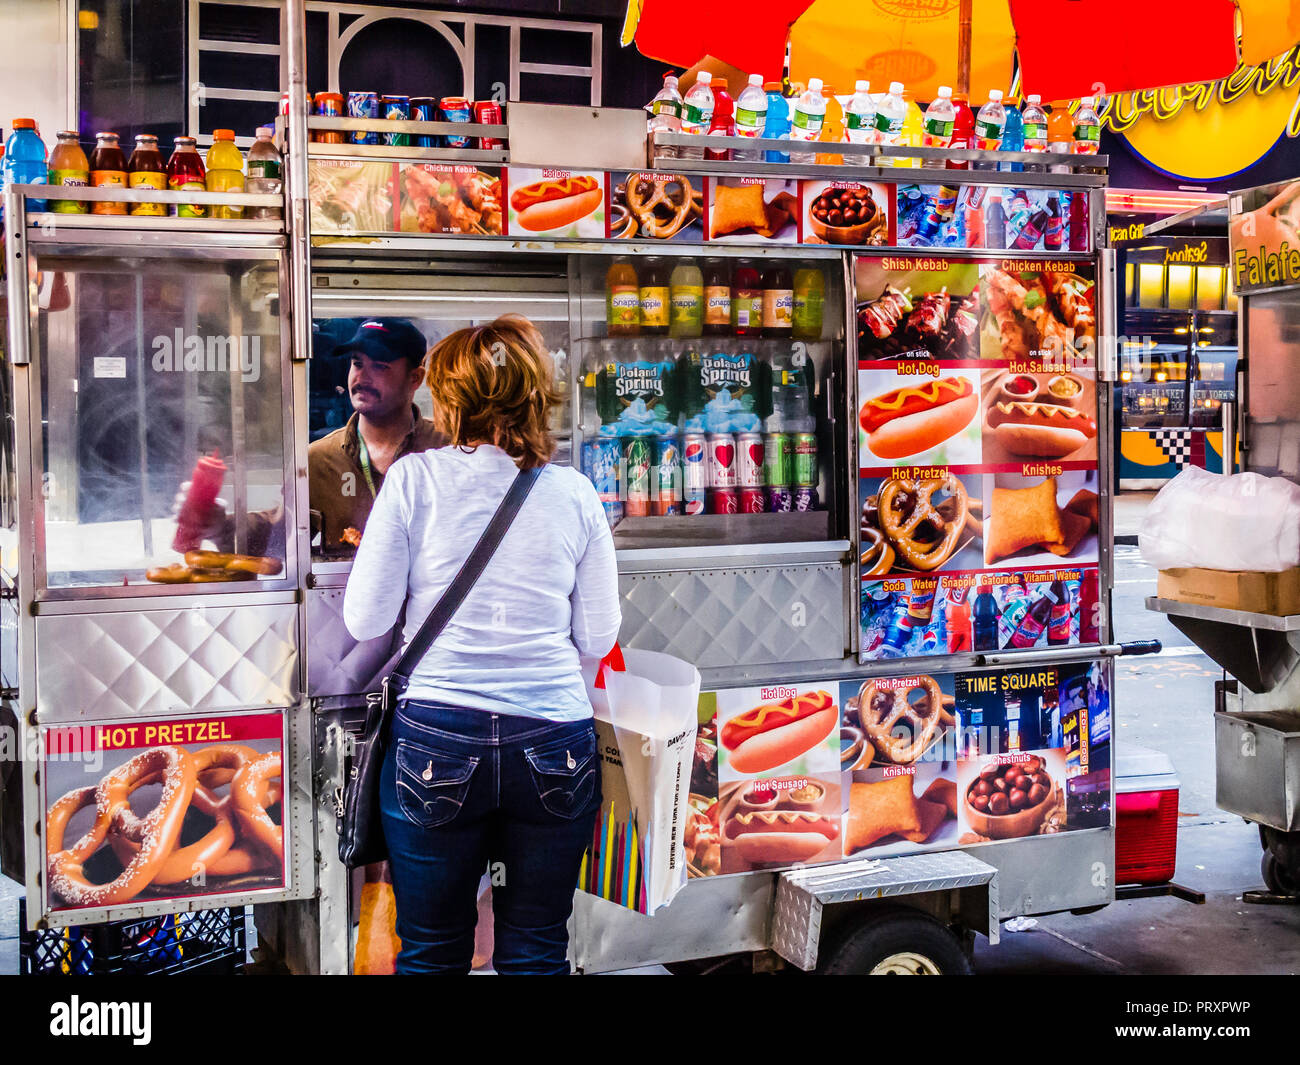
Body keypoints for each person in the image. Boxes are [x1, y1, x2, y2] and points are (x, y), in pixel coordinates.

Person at [343, 314, 621, 975]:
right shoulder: (575, 492)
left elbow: (365, 620)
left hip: (437, 740)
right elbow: (598, 636)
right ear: (535, 393)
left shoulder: (414, 480)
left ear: (449, 395)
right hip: (554, 741)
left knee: (434, 952)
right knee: (535, 950)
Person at [179, 317, 443, 555]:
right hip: (344, 604)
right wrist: (219, 525)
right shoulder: (317, 460)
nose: (362, 376)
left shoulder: (448, 449)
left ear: (415, 378)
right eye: (356, 363)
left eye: (380, 366)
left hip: (437, 605)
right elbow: (278, 537)